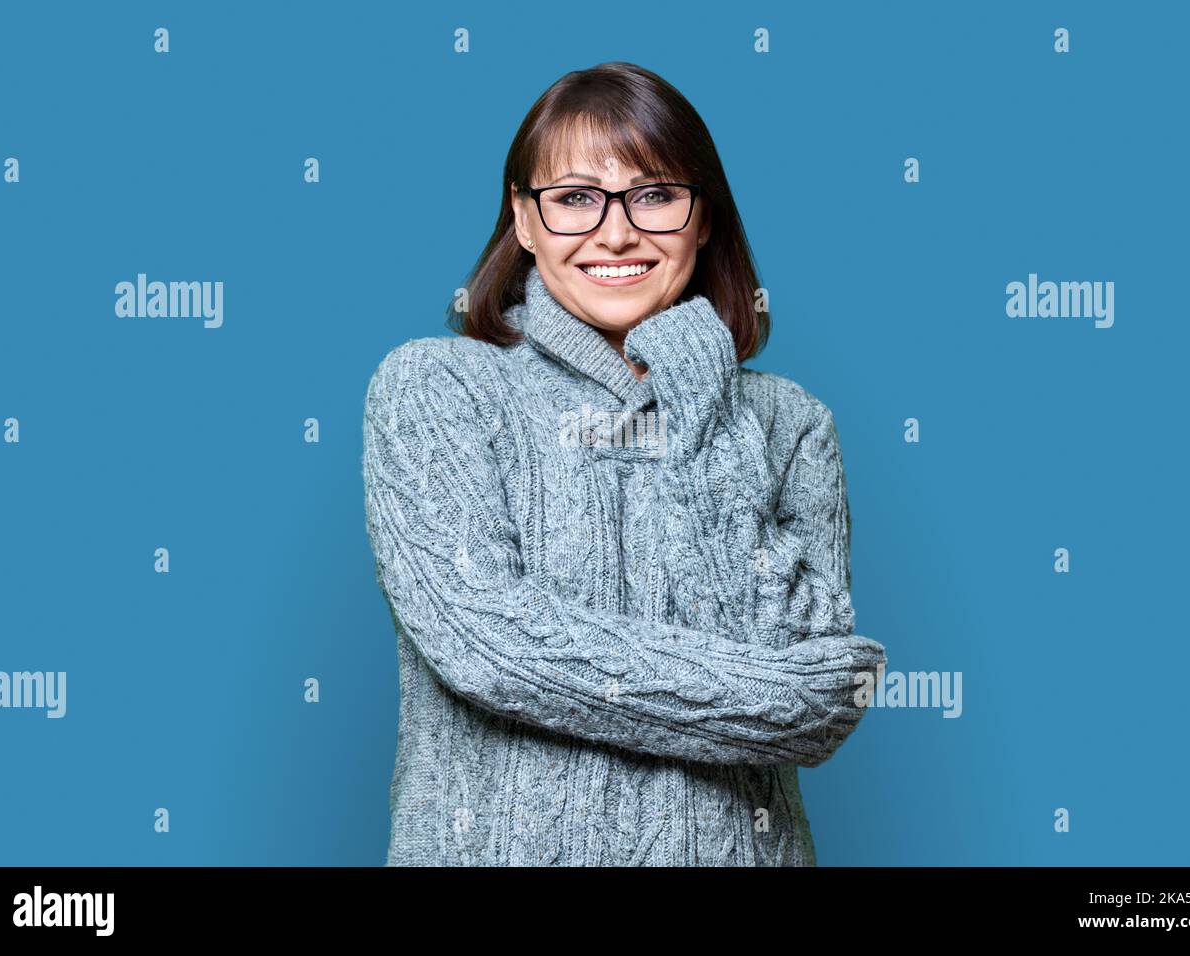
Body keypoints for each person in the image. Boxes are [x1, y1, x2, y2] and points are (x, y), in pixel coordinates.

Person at [362, 60, 887, 866]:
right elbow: (492, 651)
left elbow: (818, 679)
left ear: (702, 217)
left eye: (655, 195)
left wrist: (702, 410)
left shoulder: (789, 422)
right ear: (524, 220)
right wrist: (786, 698)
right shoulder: (437, 389)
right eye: (574, 198)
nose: (616, 232)